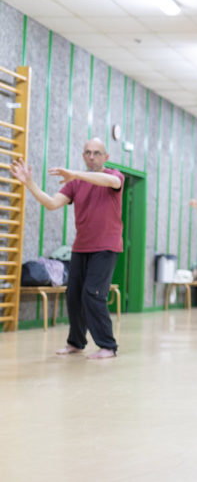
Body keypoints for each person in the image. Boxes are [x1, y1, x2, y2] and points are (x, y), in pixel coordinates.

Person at [10, 138, 122, 359]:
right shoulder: (75, 183)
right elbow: (51, 203)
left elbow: (109, 181)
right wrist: (29, 183)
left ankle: (108, 345)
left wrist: (76, 174)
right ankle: (76, 342)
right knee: (73, 295)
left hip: (106, 246)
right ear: (83, 155)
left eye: (97, 153)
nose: (92, 156)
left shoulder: (114, 175)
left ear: (105, 157)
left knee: (93, 293)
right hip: (81, 247)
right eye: (88, 152)